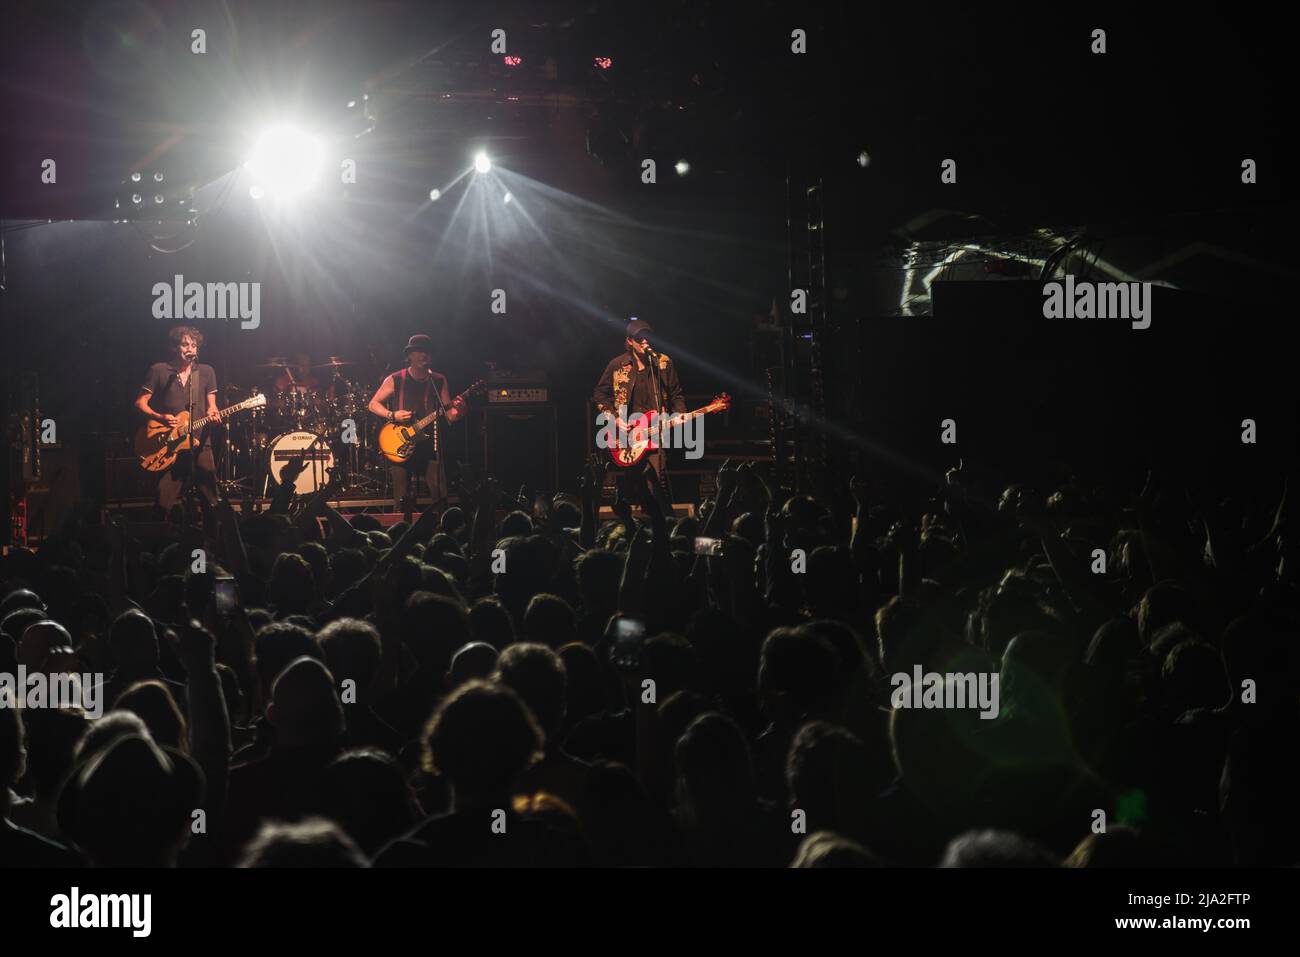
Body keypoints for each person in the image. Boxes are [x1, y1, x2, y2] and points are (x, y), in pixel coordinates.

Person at [368, 335, 464, 518]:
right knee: (401, 498)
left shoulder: (438, 380)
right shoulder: (395, 379)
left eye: (426, 352)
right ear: (409, 355)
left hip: (429, 444)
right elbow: (373, 404)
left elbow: (449, 414)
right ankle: (401, 532)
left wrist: (459, 412)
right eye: (418, 351)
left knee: (440, 493)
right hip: (400, 442)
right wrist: (392, 414)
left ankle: (440, 530)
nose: (423, 355)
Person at [592, 319, 685, 506]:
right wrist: (615, 419)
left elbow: (676, 393)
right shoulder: (617, 365)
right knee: (631, 487)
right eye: (639, 338)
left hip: (654, 434)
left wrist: (680, 413)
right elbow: (599, 395)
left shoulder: (664, 363)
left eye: (647, 337)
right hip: (627, 437)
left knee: (656, 484)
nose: (645, 341)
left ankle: (658, 526)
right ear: (629, 341)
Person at [135, 325, 221, 512]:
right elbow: (141, 402)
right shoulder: (159, 370)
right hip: (170, 443)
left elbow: (212, 403)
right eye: (185, 344)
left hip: (200, 441)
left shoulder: (206, 372)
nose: (190, 349)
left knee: (211, 501)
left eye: (194, 345)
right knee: (162, 501)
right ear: (175, 347)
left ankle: (213, 539)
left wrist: (213, 412)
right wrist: (159, 417)